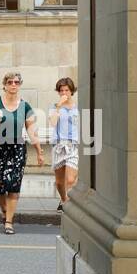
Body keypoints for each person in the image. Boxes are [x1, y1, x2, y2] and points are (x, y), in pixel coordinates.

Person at [0, 71, 43, 235]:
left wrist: (39, 151)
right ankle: (5, 210)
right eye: (10, 82)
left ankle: (9, 221)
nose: (13, 85)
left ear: (20, 85)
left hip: (17, 150)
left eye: (16, 82)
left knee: (13, 185)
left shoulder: (25, 106)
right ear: (5, 85)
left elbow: (31, 130)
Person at [49, 76, 79, 210]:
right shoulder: (55, 107)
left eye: (67, 90)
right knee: (60, 182)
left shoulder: (77, 107)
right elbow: (53, 123)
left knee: (71, 180)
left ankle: (69, 205)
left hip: (73, 146)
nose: (64, 93)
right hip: (59, 146)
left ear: (71, 91)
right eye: (61, 91)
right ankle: (63, 199)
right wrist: (59, 106)